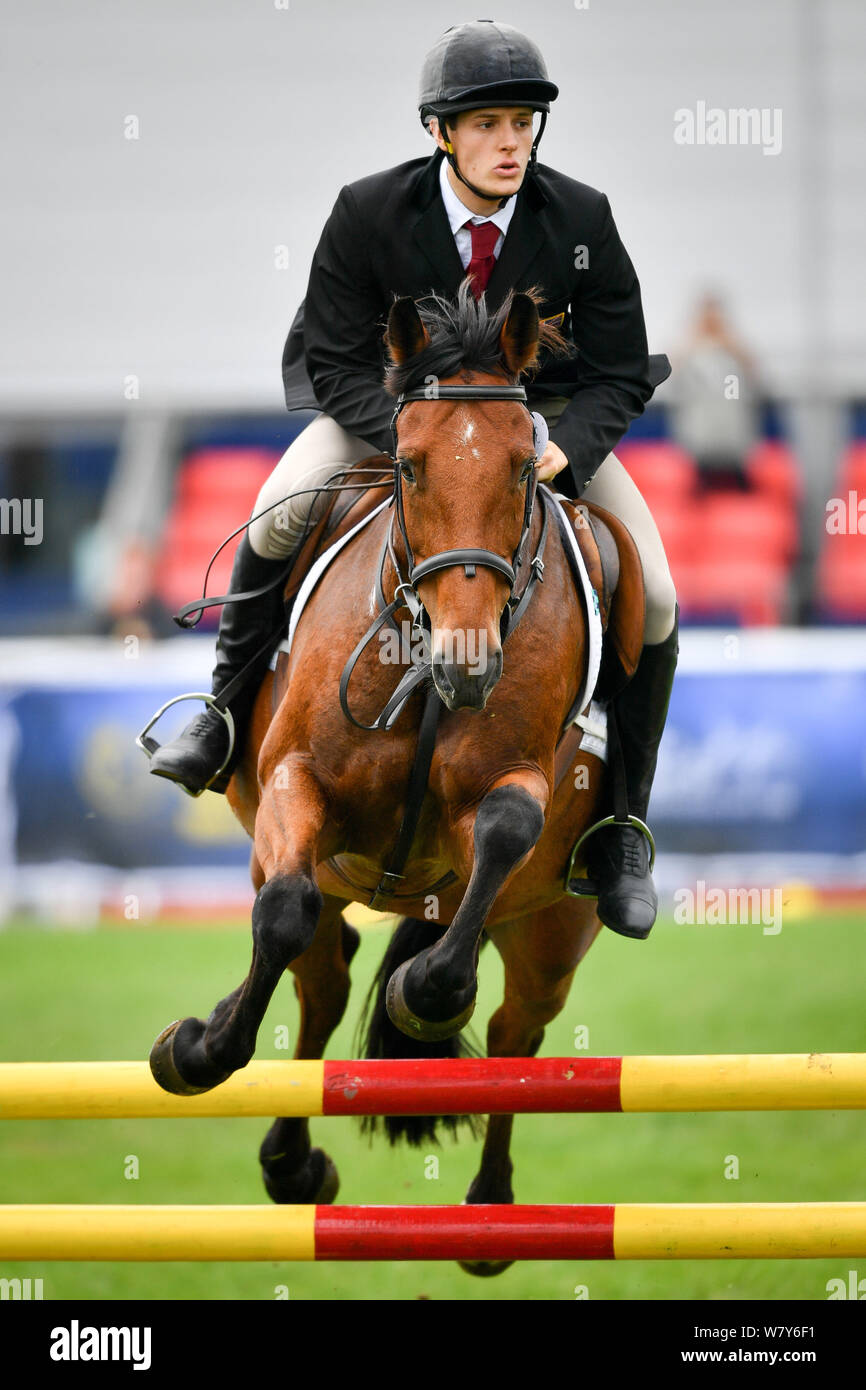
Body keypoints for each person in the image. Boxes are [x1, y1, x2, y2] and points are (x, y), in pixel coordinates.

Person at [148, 19, 678, 940]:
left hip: (537, 435)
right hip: (387, 423)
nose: (511, 143)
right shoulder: (368, 211)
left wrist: (565, 451)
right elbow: (332, 354)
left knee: (661, 594)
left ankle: (622, 825)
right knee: (275, 516)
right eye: (488, 125)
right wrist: (408, 437)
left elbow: (622, 371)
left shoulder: (580, 218)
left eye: (522, 124)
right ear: (440, 131)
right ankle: (221, 717)